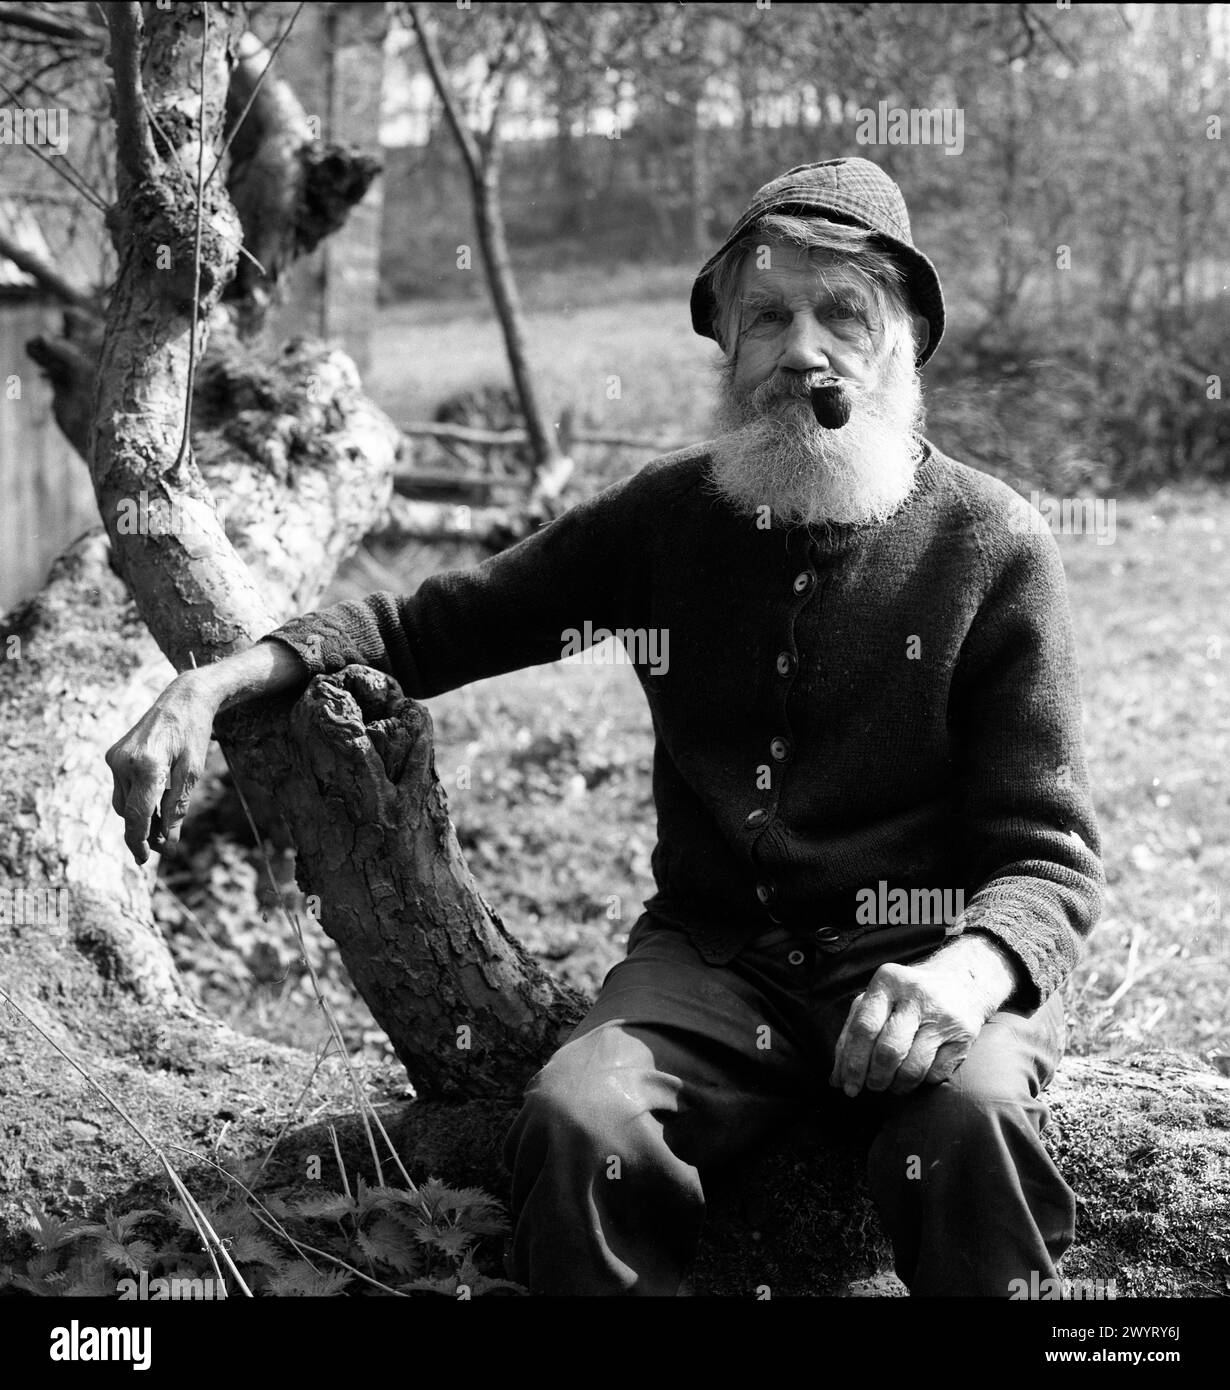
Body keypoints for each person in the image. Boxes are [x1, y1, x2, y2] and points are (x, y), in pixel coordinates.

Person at [106, 156, 1105, 1297]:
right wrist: (217, 680)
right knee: (580, 1120)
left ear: (906, 343)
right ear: (726, 342)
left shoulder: (994, 543)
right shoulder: (670, 518)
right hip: (713, 960)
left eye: (845, 316)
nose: (802, 350)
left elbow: (1049, 857)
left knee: (971, 1122)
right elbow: (436, 622)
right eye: (767, 315)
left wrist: (968, 975)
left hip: (929, 956)